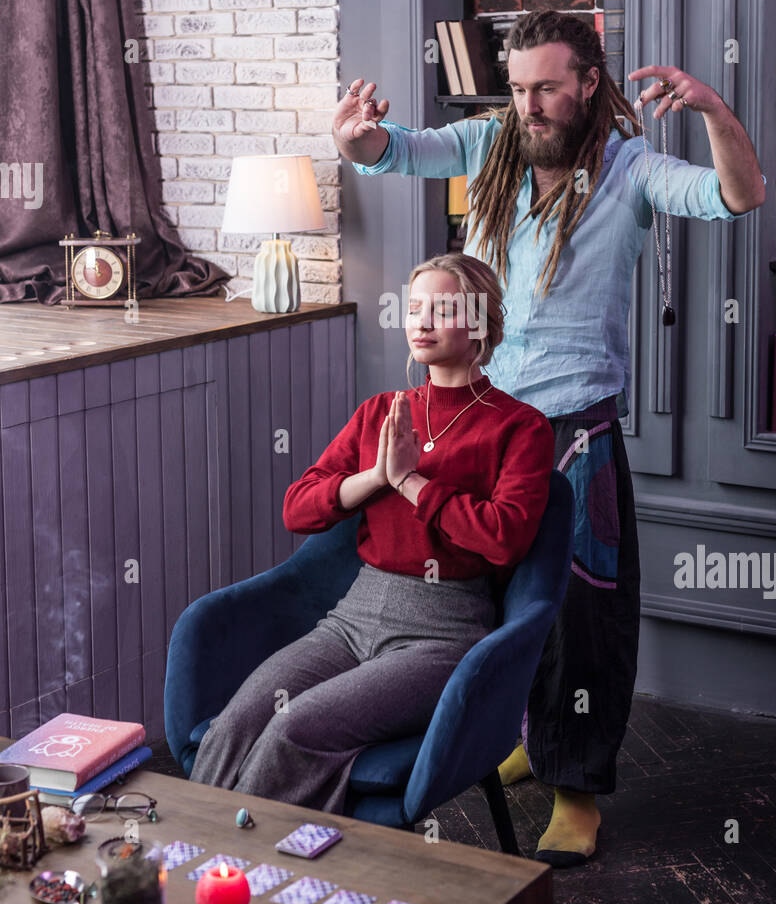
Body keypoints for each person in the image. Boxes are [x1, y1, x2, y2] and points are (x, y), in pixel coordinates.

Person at [333, 9, 766, 865]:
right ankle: (529, 735)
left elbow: (734, 196)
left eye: (546, 89)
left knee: (582, 611)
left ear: (588, 85)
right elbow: (401, 151)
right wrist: (356, 139)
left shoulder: (633, 169)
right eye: (518, 87)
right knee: (489, 599)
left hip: (574, 431)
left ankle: (577, 790)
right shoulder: (494, 144)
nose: (528, 105)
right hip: (485, 420)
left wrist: (716, 114)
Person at [189, 252, 555, 815]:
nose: (421, 323)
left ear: (479, 322)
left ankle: (256, 868)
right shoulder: (381, 412)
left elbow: (504, 537)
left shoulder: (519, 426)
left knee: (296, 726)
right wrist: (375, 477)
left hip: (444, 630)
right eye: (414, 309)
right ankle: (196, 856)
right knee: (239, 719)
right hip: (354, 616)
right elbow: (298, 509)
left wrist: (410, 482)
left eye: (442, 309)